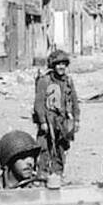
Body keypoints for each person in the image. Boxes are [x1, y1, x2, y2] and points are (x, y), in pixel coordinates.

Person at [32, 48, 79, 177]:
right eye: (58, 64)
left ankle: (58, 173)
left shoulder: (68, 81)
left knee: (61, 149)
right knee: (44, 148)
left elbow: (74, 101)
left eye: (64, 64)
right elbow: (39, 103)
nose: (61, 67)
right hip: (47, 121)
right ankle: (42, 174)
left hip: (62, 122)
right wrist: (42, 121)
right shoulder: (44, 81)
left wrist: (77, 120)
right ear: (53, 66)